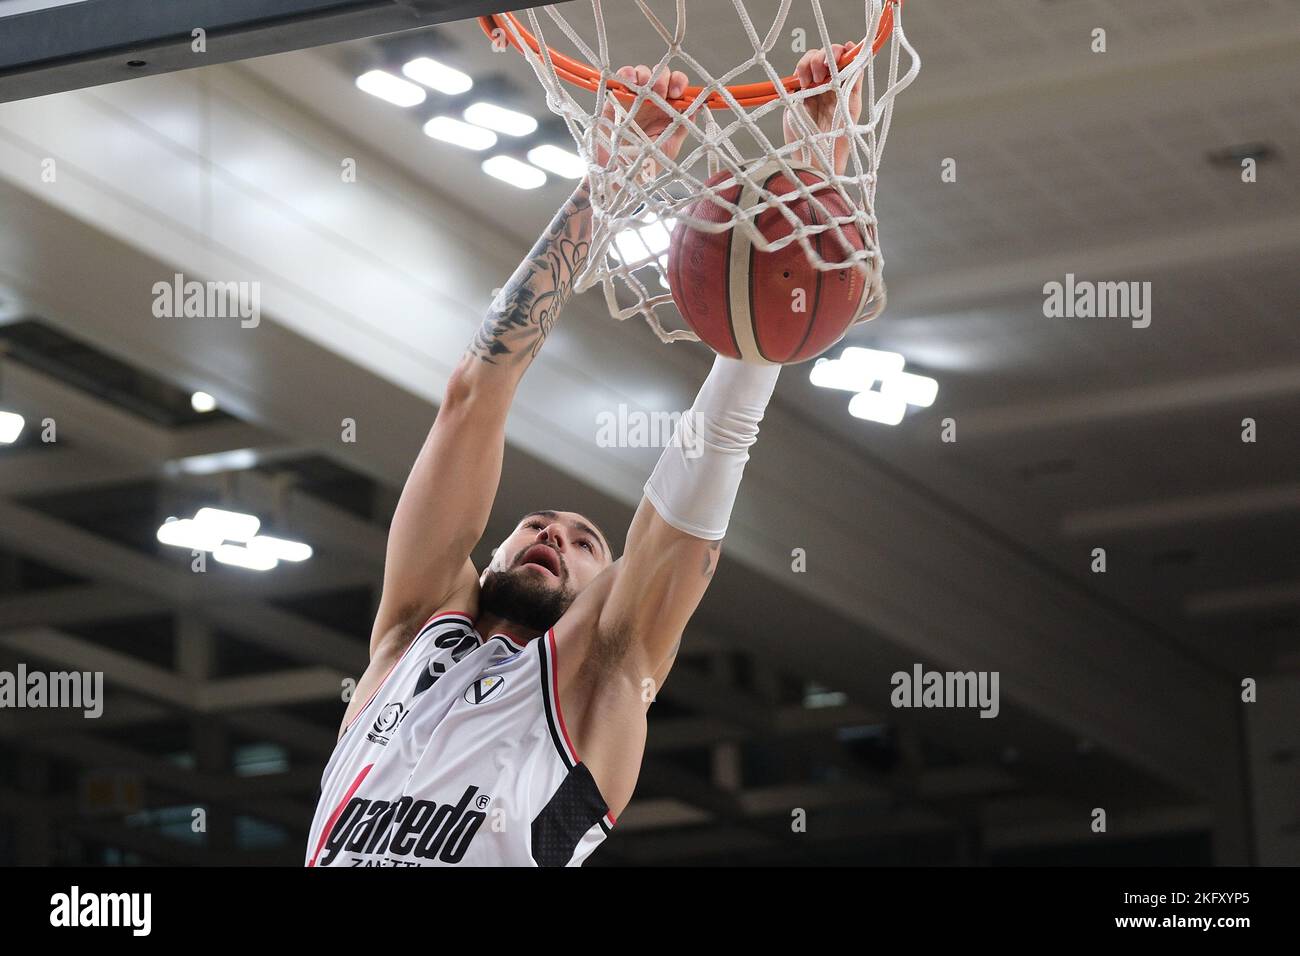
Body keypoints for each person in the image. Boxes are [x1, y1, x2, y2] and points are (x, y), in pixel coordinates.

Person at [306, 46, 862, 867]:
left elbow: (687, 518)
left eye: (584, 542)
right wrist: (609, 184)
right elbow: (473, 393)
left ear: (608, 589)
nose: (552, 533)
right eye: (538, 524)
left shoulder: (602, 680)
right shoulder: (408, 639)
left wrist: (782, 259)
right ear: (493, 552)